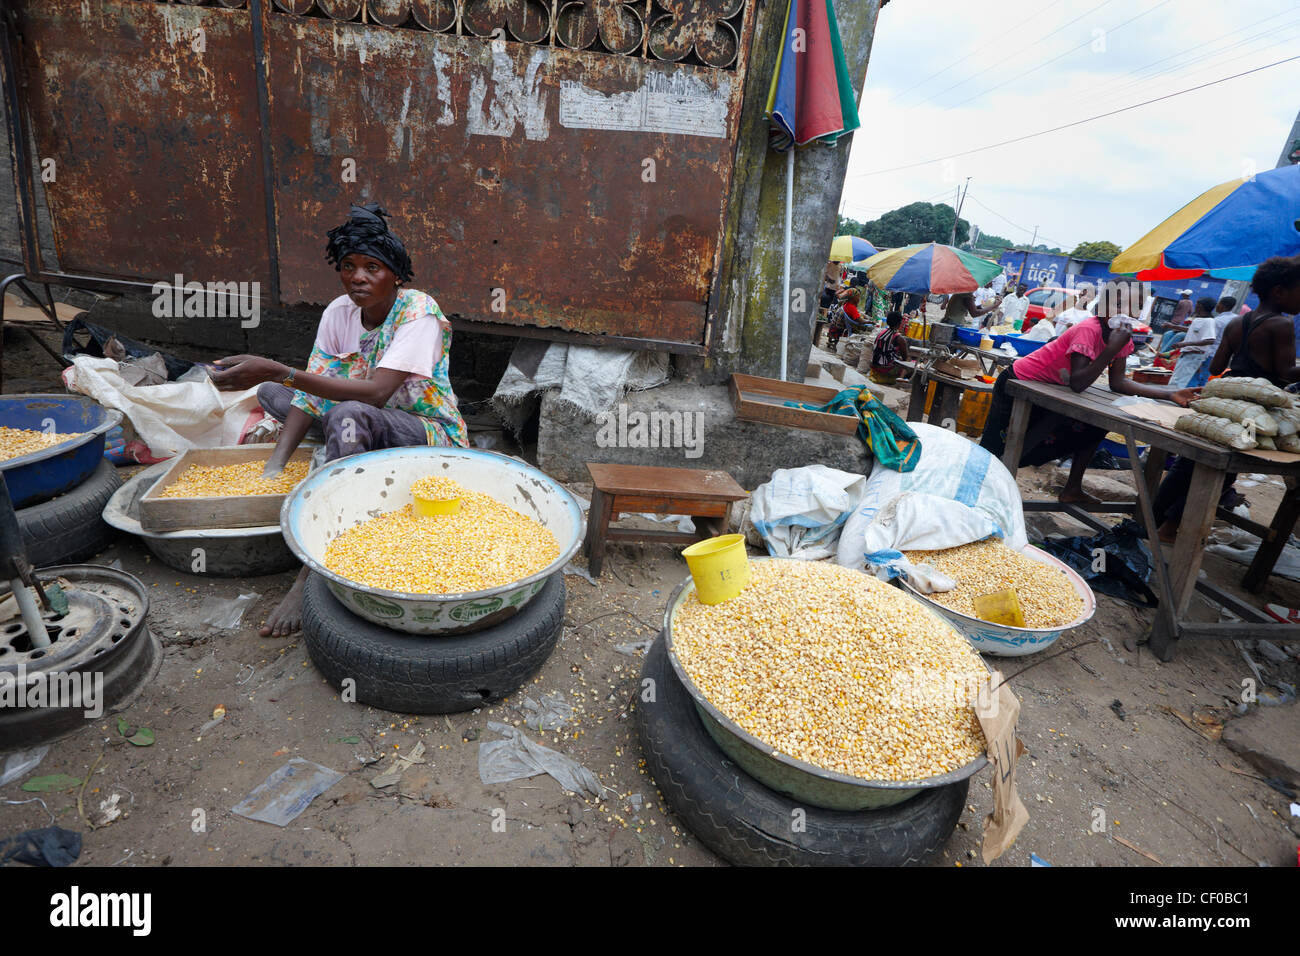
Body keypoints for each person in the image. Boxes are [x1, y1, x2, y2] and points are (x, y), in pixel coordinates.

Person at [210, 202, 469, 636]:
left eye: (373, 267)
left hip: (426, 432)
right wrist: (274, 467)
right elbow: (312, 390)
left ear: (396, 275)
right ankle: (342, 444)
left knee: (341, 407)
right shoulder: (337, 313)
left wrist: (280, 369)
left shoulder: (418, 313)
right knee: (275, 395)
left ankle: (312, 571)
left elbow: (378, 393)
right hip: (363, 418)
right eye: (348, 266)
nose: (358, 277)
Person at [980, 282, 1197, 505]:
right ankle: (989, 491)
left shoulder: (1122, 337)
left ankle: (1072, 487)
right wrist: (1110, 350)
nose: (1128, 312)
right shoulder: (1089, 329)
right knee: (1000, 447)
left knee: (1094, 426)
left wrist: (1169, 395)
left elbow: (1118, 382)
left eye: (1136, 306)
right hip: (1020, 383)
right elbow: (1078, 383)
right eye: (1120, 304)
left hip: (1054, 391)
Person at [1152, 256, 1300, 542]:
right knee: (1225, 473)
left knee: (1187, 465)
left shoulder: (1237, 323)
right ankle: (1170, 527)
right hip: (1255, 409)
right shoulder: (1281, 324)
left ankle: (1151, 519)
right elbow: (1285, 372)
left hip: (1226, 401)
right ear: (1279, 291)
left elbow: (1216, 368)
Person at [1163, 297, 1218, 388]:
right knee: (1176, 379)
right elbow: (1190, 330)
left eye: (1196, 304)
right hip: (1187, 354)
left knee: (1179, 382)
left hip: (1194, 355)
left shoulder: (1209, 321)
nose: (1195, 307)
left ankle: (1171, 397)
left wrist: (1185, 344)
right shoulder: (1197, 320)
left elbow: (1210, 340)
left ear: (1201, 306)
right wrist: (1172, 326)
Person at [869, 311, 910, 385]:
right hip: (886, 368)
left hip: (874, 365)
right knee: (909, 362)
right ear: (899, 323)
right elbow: (905, 358)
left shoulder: (881, 332)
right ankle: (899, 381)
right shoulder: (899, 338)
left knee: (897, 358)